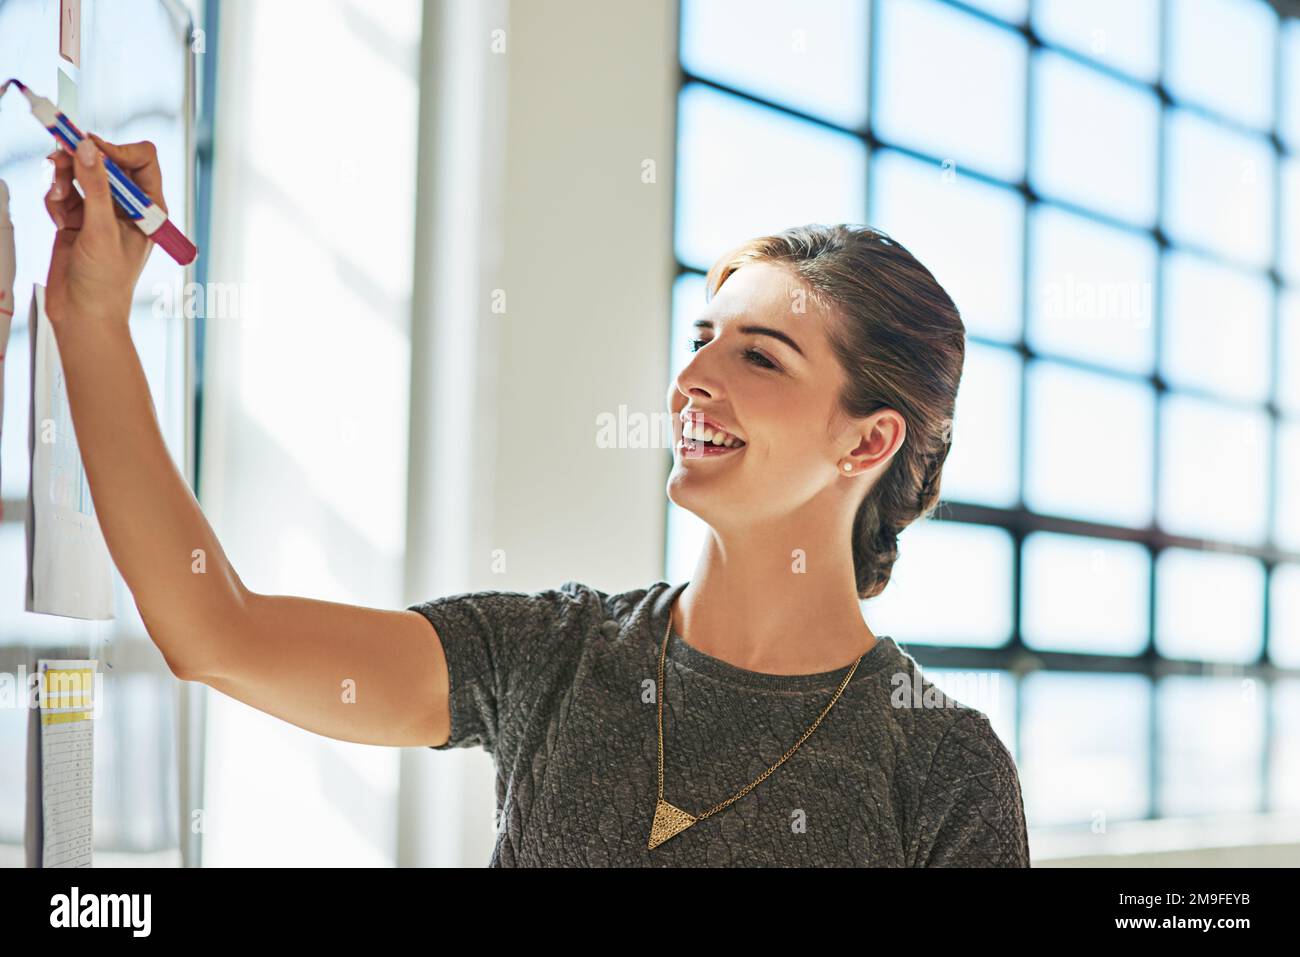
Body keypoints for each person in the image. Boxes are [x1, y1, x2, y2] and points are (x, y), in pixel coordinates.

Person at [43, 136, 1030, 867]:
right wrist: (91, 320)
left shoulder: (941, 765)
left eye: (758, 355)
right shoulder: (553, 655)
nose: (694, 377)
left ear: (865, 440)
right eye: (702, 336)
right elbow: (216, 633)